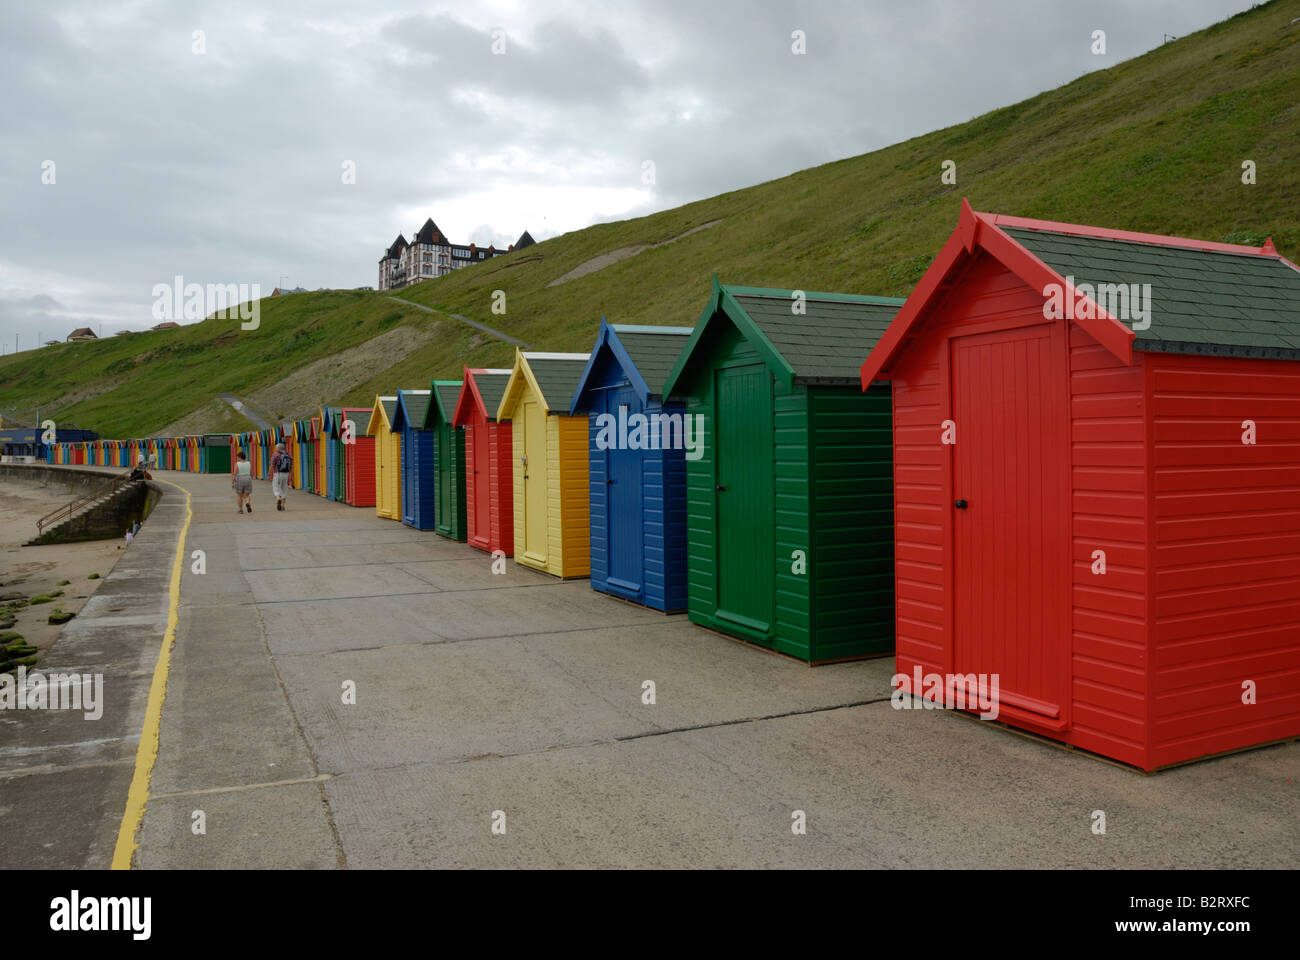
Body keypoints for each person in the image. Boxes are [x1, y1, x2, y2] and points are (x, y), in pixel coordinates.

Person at [270, 442, 292, 511]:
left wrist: (269, 473)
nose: (276, 448)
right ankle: (282, 506)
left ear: (279, 448)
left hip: (278, 474)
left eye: (277, 447)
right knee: (284, 489)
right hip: (286, 474)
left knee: (276, 487)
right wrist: (291, 476)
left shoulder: (275, 455)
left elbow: (272, 465)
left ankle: (278, 498)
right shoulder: (288, 455)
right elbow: (291, 466)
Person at [233, 449, 253, 514]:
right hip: (248, 478)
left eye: (238, 457)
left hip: (240, 479)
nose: (237, 458)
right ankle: (247, 503)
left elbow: (235, 473)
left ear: (240, 457)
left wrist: (233, 482)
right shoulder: (248, 463)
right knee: (247, 495)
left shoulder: (237, 464)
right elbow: (251, 473)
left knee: (239, 495)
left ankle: (240, 509)